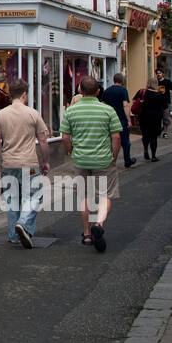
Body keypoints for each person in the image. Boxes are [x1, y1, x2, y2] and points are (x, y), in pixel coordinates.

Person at [60, 76, 122, 253]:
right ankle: (99, 223)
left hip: (81, 159)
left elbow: (65, 137)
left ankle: (87, 234)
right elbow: (116, 136)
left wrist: (71, 151)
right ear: (98, 91)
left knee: (84, 196)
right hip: (103, 159)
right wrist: (114, 156)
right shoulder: (108, 110)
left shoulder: (71, 111)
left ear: (80, 90)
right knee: (105, 195)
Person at [0, 79, 50, 249]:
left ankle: (13, 236)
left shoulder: (1, 115)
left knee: (11, 200)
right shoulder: (33, 113)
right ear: (24, 94)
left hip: (8, 163)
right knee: (35, 196)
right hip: (29, 163)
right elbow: (43, 140)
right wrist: (46, 161)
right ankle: (23, 223)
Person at [99, 73, 135, 167]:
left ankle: (109, 160)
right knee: (125, 141)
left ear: (114, 80)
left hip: (109, 119)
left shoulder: (106, 91)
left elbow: (102, 104)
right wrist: (129, 120)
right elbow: (125, 105)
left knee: (110, 140)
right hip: (121, 119)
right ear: (122, 81)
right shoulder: (123, 90)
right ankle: (127, 160)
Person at [137, 76, 169, 161]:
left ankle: (145, 150)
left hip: (143, 117)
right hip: (156, 118)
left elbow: (135, 102)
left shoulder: (142, 92)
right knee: (153, 137)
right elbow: (165, 106)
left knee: (145, 135)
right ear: (156, 84)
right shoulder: (159, 94)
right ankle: (153, 156)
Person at [156, 66, 172, 132]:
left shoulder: (167, 81)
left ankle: (165, 132)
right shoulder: (155, 82)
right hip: (157, 103)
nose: (158, 74)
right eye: (157, 73)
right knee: (158, 118)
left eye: (159, 73)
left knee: (165, 118)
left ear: (162, 74)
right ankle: (158, 130)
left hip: (165, 103)